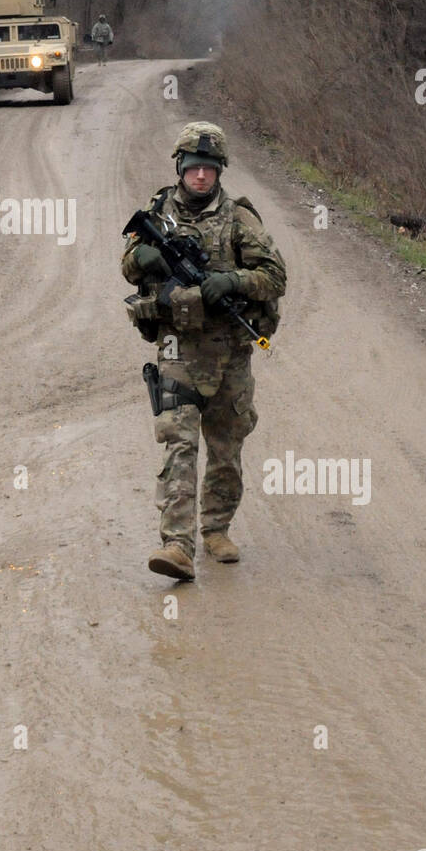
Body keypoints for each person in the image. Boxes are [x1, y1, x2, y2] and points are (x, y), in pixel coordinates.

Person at [121, 121, 286, 580]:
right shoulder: (159, 214)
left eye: (209, 169)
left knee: (227, 448)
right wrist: (141, 259)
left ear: (219, 172)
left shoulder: (239, 218)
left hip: (230, 351)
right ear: (180, 167)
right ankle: (177, 546)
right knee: (179, 444)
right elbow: (128, 265)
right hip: (177, 346)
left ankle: (216, 530)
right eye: (193, 168)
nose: (200, 177)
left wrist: (233, 281)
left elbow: (276, 277)